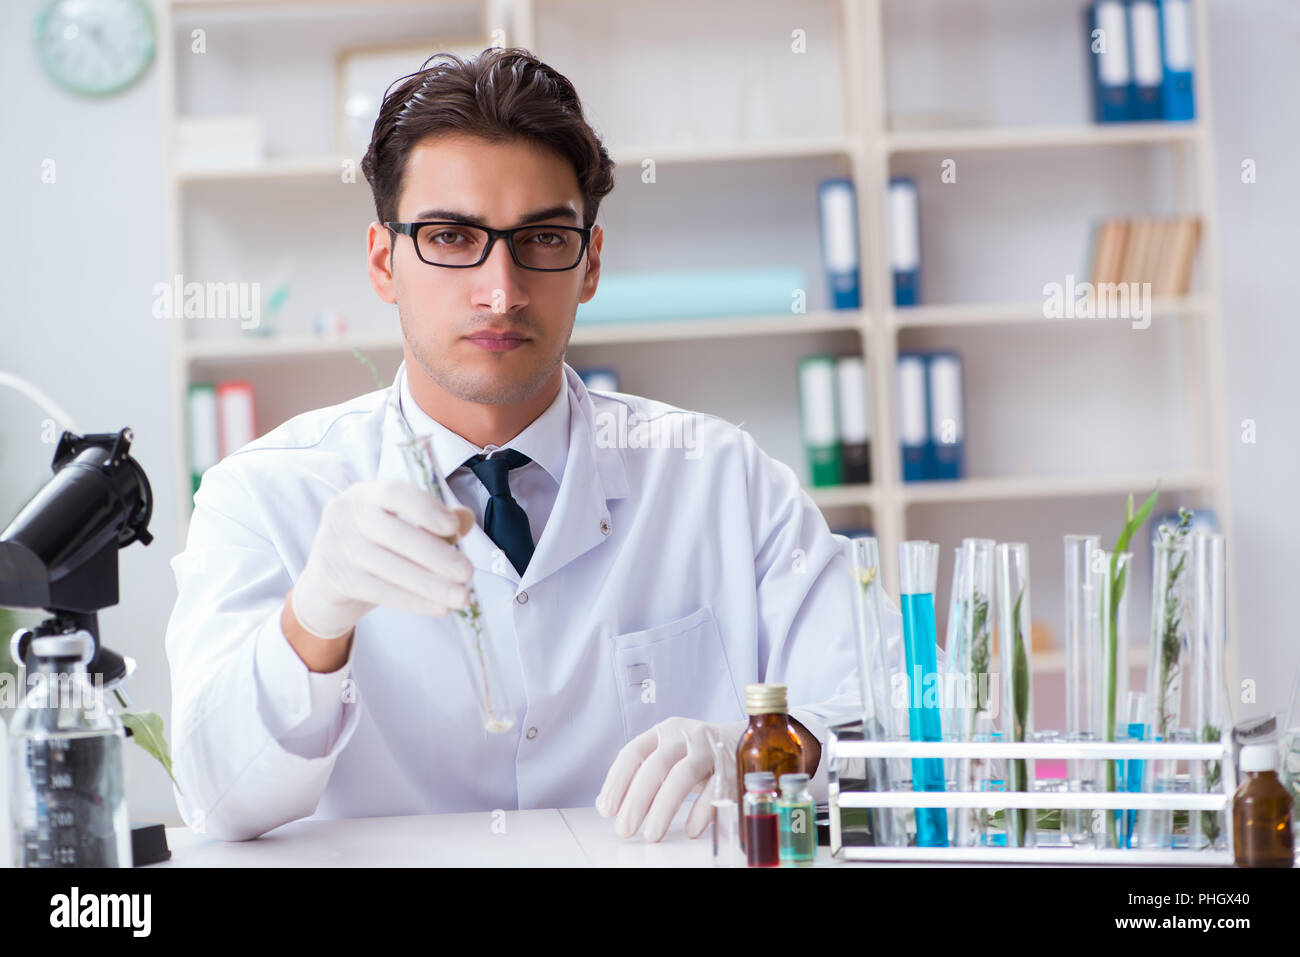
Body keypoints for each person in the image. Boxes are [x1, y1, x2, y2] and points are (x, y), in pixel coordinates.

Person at [165, 46, 902, 844]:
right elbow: (211, 801)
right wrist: (314, 619)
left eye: (544, 238)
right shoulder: (264, 494)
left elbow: (890, 721)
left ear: (589, 263)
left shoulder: (723, 477)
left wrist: (765, 751)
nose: (501, 290)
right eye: (451, 236)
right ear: (385, 262)